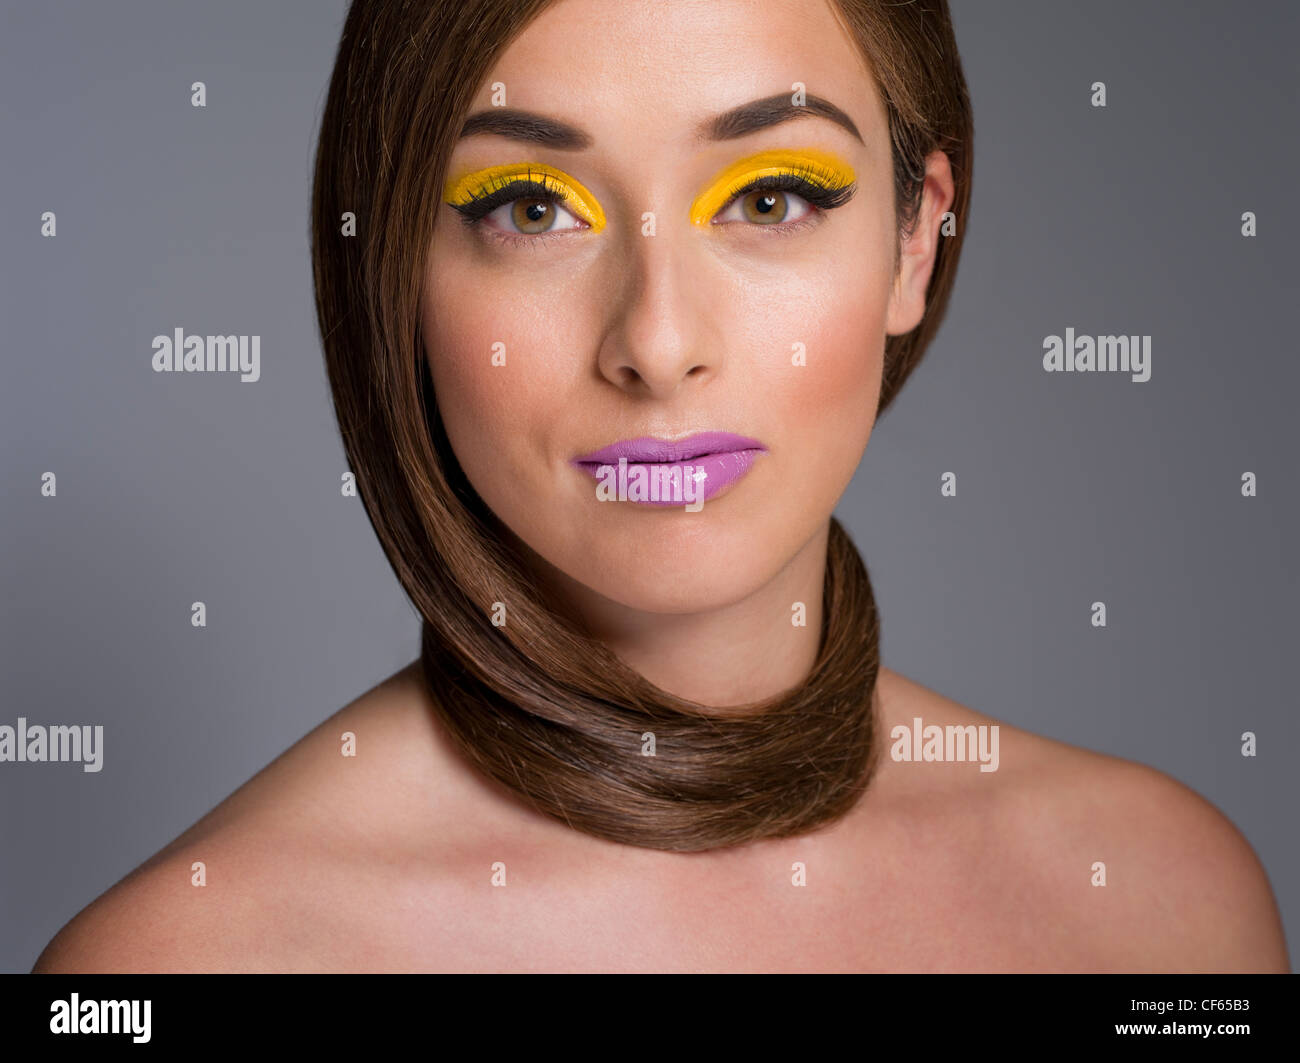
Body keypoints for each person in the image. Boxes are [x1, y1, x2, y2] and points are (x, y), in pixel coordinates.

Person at [34, 0, 1289, 973]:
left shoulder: (1165, 901)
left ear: (917, 239)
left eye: (770, 196)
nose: (656, 338)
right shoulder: (177, 967)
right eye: (530, 207)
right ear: (394, 268)